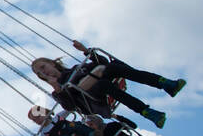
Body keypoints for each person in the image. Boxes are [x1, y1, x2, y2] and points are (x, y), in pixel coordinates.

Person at [32, 42, 185, 129]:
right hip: (93, 98)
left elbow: (102, 62)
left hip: (97, 78)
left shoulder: (76, 68)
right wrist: (57, 88)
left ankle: (165, 84)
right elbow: (71, 106)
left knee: (113, 67)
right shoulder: (58, 91)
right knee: (102, 84)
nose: (43, 72)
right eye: (40, 73)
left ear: (52, 63)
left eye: (43, 67)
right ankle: (146, 111)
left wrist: (86, 51)